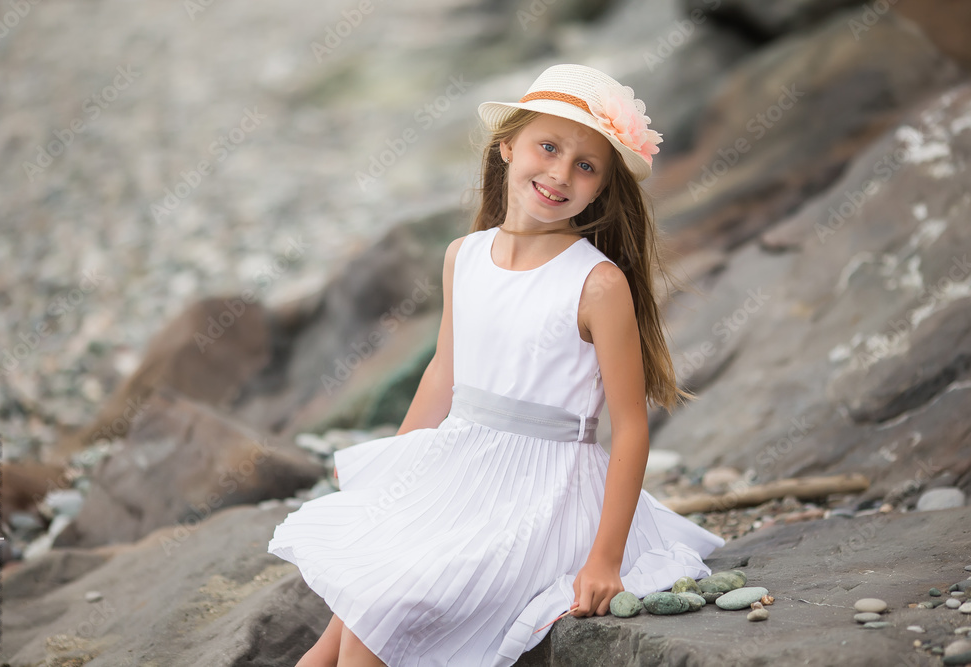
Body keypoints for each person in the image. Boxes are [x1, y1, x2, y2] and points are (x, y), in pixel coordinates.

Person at [267, 63, 725, 667]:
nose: (561, 173)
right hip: (457, 466)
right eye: (549, 147)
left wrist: (604, 559)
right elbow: (444, 375)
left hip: (544, 490)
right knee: (352, 601)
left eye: (586, 166)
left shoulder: (596, 284)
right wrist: (390, 489)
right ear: (508, 145)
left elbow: (630, 426)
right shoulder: (465, 255)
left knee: (384, 611)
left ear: (601, 188)